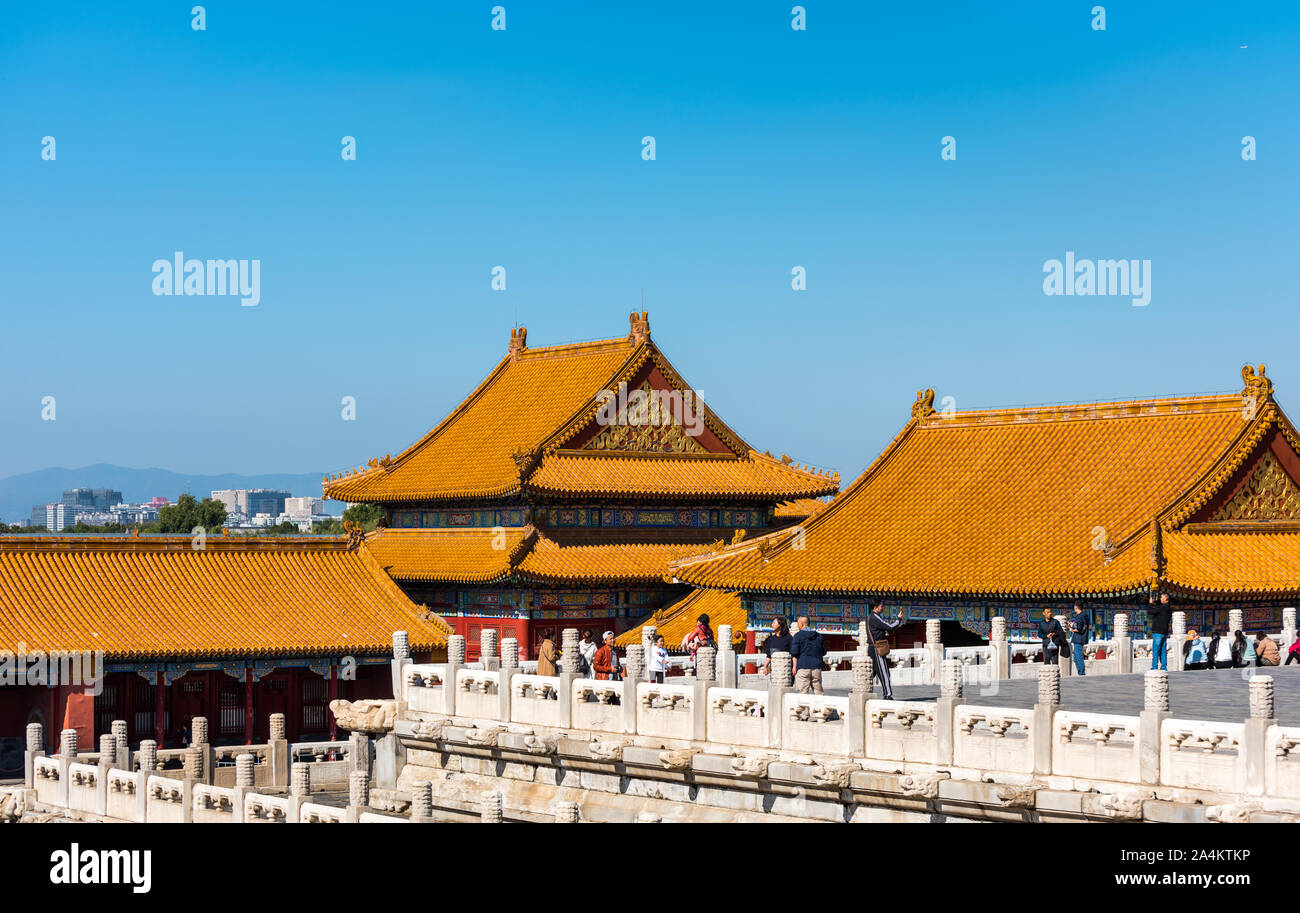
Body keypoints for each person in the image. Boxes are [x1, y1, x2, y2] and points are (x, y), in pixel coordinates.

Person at [867, 601, 902, 700]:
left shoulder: (869, 617)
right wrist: (898, 620)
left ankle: (857, 689)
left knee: (871, 672)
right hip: (877, 647)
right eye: (881, 606)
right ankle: (887, 694)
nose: (882, 608)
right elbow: (889, 627)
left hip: (872, 647)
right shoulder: (875, 617)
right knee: (884, 672)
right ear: (875, 607)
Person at [789, 615, 827, 694]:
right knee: (818, 692)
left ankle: (804, 707)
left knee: (803, 692)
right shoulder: (818, 636)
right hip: (816, 666)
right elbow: (824, 652)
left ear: (801, 624)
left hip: (803, 666)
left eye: (798, 624)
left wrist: (794, 667)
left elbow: (795, 653)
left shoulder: (798, 636)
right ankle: (819, 706)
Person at [1145, 593, 1173, 671]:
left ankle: (1154, 667)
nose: (1160, 599)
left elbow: (1150, 611)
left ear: (1165, 599)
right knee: (1163, 650)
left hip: (1158, 631)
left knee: (1156, 650)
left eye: (1161, 597)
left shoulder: (1162, 608)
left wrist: (1150, 603)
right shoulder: (1168, 608)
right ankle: (1164, 667)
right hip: (1164, 632)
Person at [1067, 605, 1090, 675]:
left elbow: (1079, 628)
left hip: (1078, 638)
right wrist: (1073, 626)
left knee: (1078, 657)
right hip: (1082, 638)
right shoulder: (1085, 616)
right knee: (1076, 657)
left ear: (1076, 607)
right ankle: (1080, 672)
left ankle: (1081, 673)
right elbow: (1082, 626)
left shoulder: (1080, 616)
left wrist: (1072, 629)